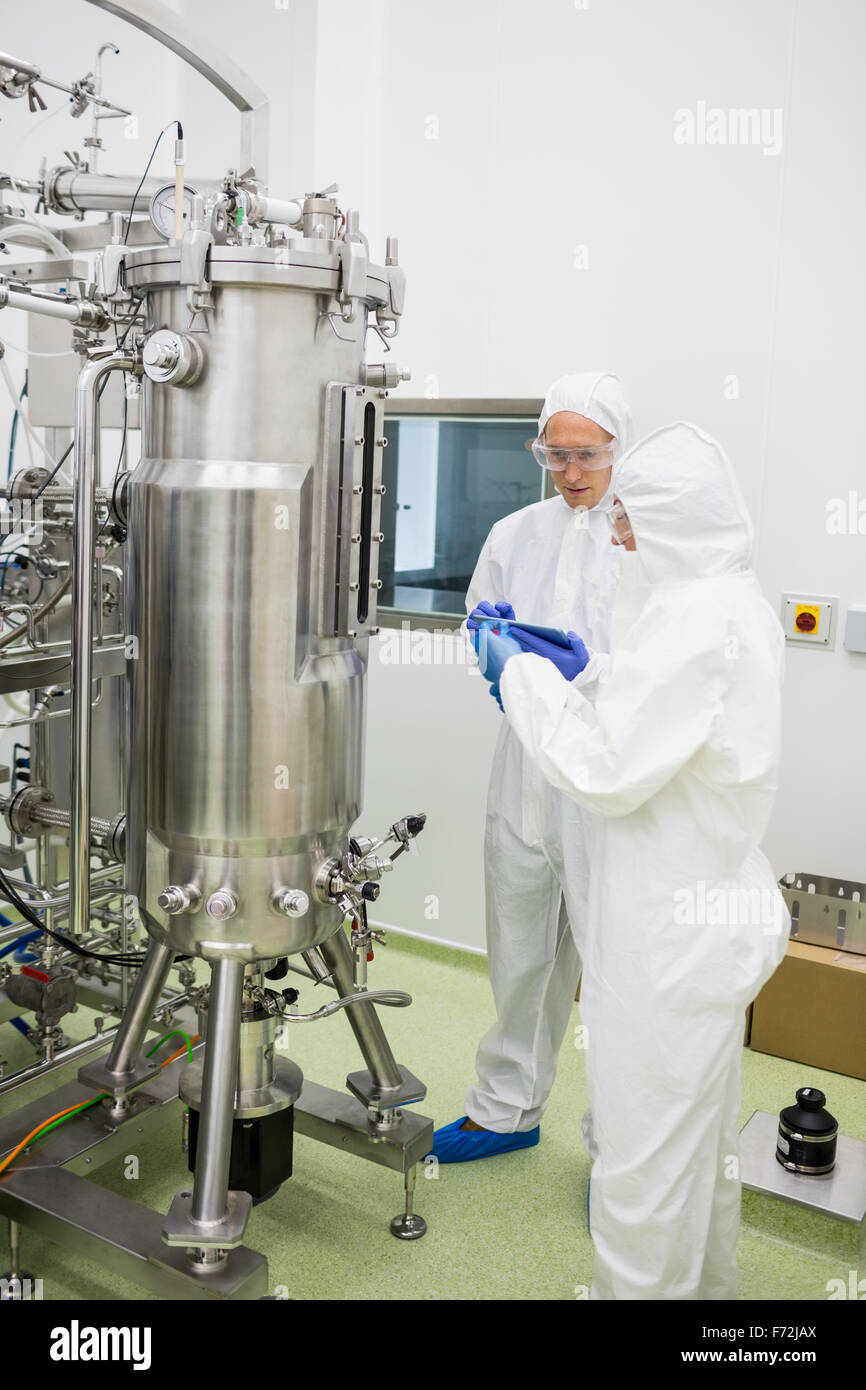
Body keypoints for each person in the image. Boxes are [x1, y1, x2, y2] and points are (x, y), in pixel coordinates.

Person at [479, 421, 789, 1299]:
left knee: (642, 1180)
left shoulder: (693, 620)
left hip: (665, 943)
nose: (615, 530)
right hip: (710, 914)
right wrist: (589, 674)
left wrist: (522, 679)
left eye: (630, 515)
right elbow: (672, 724)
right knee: (699, 1154)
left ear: (677, 522)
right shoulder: (729, 600)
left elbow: (608, 769)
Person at [431, 372, 634, 1162]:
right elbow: (477, 619)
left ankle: (622, 1151)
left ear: (620, 447)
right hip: (524, 761)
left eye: (586, 455)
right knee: (519, 946)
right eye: (555, 455)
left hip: (608, 768)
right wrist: (492, 641)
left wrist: (589, 672)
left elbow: (663, 664)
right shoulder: (516, 532)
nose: (571, 472)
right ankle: (505, 1110)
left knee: (613, 968)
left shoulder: (642, 540)